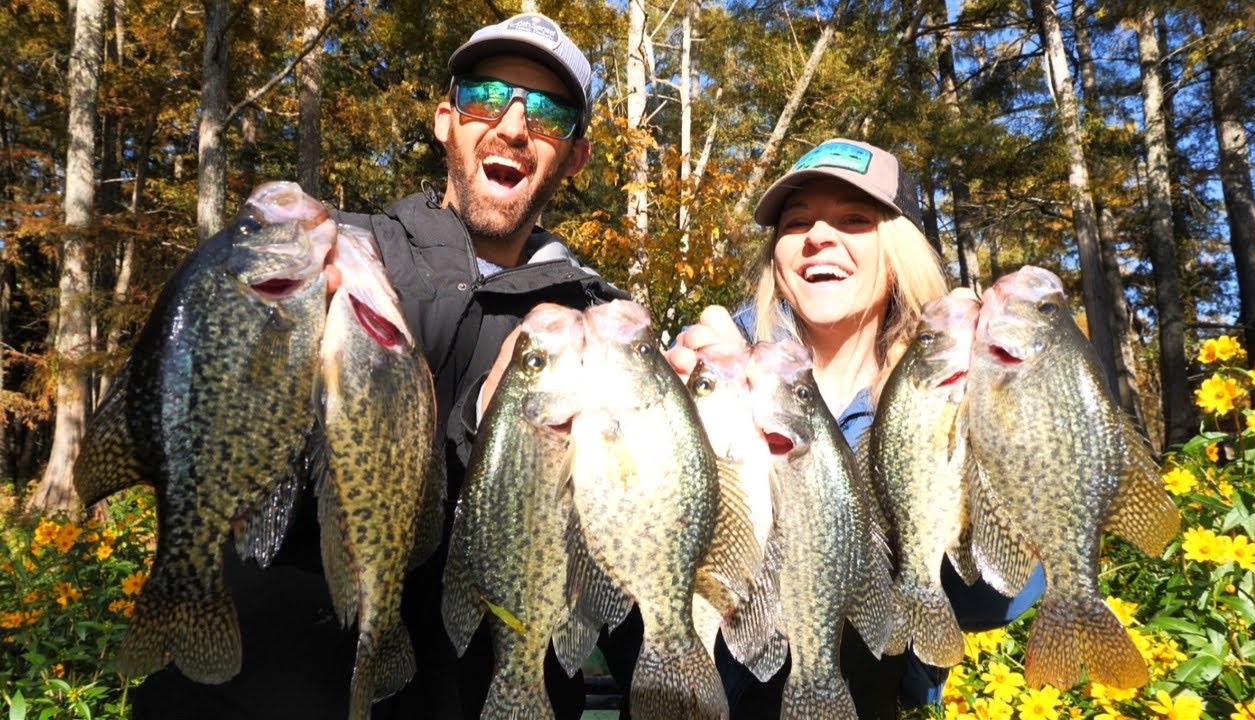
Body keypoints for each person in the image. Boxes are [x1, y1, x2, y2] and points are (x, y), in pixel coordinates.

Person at [131, 13, 627, 720]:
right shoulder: (339, 255)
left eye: (546, 112)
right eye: (487, 97)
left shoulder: (600, 326)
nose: (514, 127)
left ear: (574, 156)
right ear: (445, 121)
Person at [666, 137, 1045, 719]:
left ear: (899, 249)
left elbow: (998, 601)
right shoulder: (722, 366)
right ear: (777, 256)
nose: (819, 236)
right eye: (797, 222)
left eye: (853, 219)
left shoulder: (946, 380)